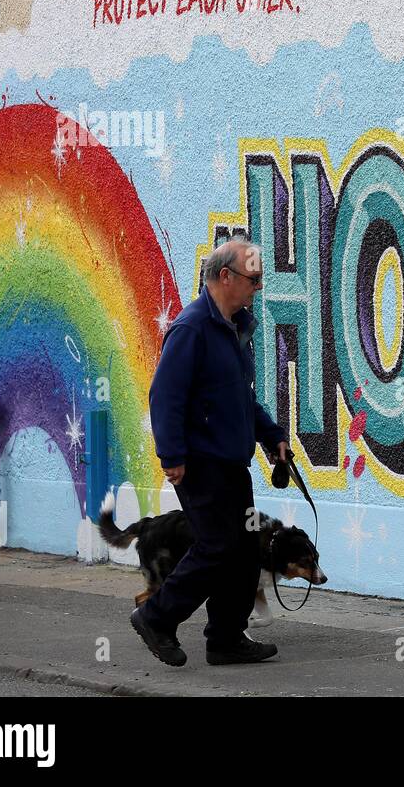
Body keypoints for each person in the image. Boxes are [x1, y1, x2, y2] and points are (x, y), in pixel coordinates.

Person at [130, 236, 292, 667]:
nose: (257, 287)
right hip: (200, 464)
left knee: (241, 550)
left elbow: (241, 399)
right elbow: (165, 395)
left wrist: (272, 435)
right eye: (252, 278)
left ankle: (225, 638)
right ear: (225, 276)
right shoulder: (192, 328)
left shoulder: (236, 329)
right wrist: (172, 456)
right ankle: (155, 617)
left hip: (231, 463)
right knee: (217, 545)